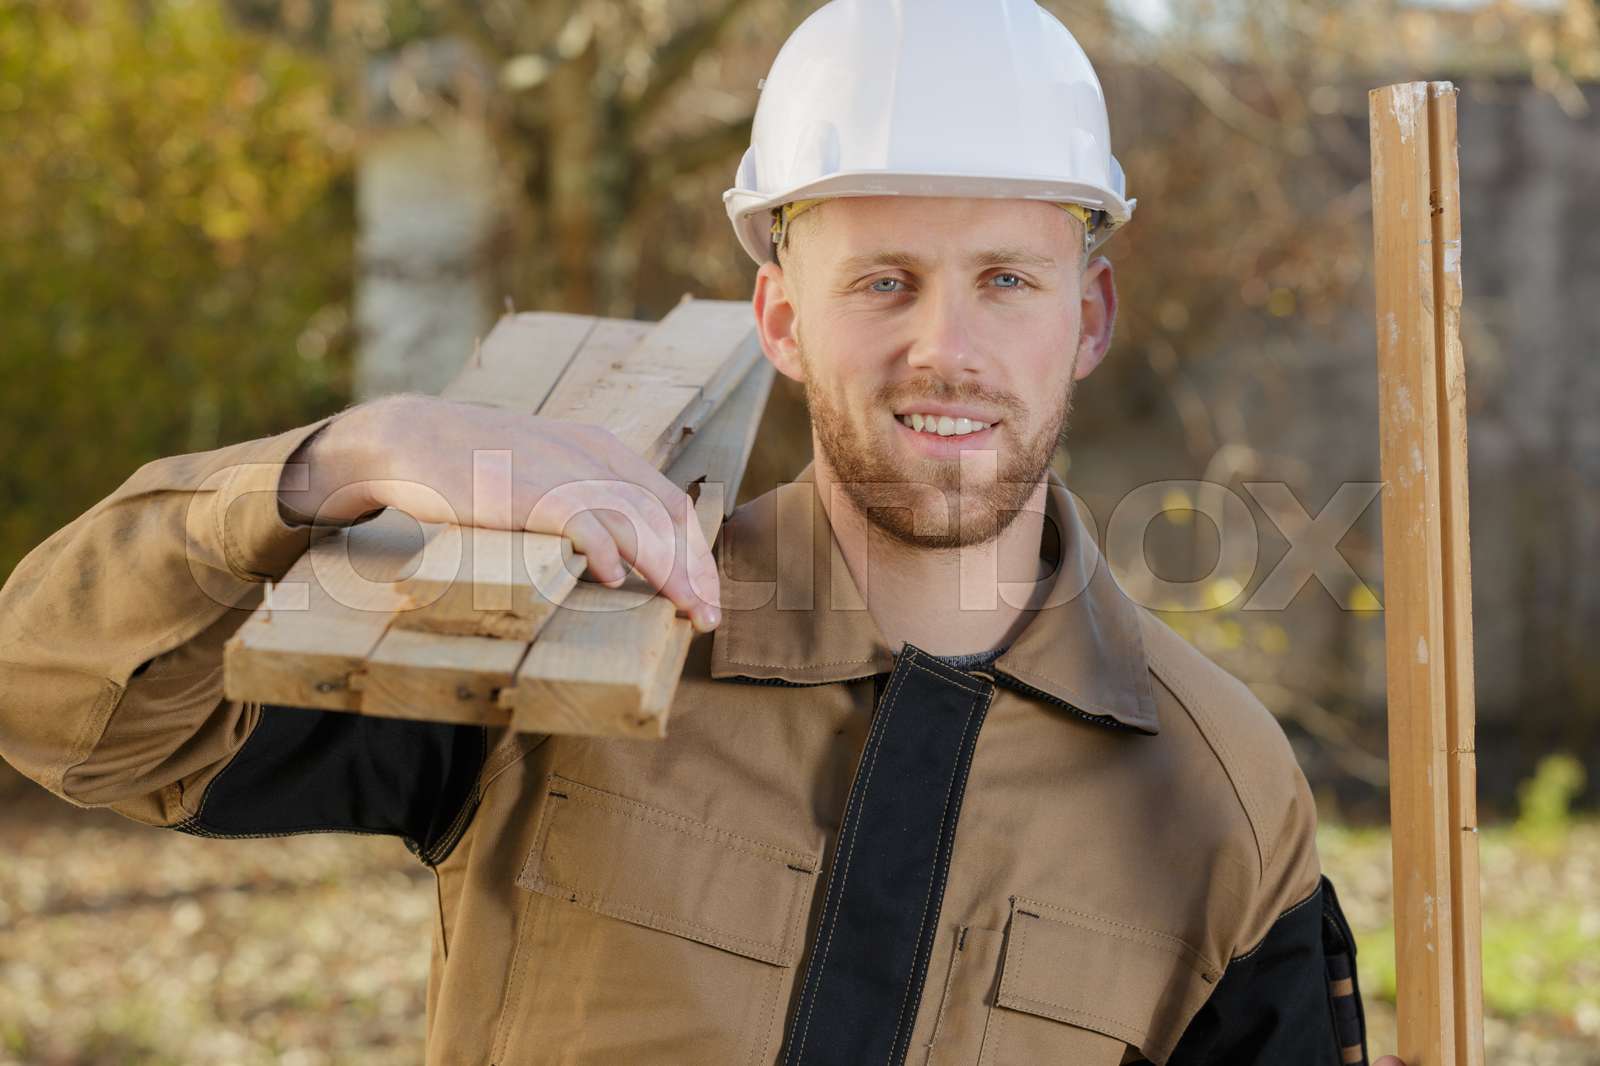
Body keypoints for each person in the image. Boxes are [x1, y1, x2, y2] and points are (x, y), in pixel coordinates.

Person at [0, 1, 1415, 1063]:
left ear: (1086, 318)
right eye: (882, 281)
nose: (946, 346)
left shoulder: (1217, 788)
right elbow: (58, 702)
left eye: (1004, 279)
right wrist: (350, 459)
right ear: (783, 319)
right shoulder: (553, 646)